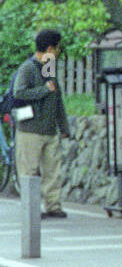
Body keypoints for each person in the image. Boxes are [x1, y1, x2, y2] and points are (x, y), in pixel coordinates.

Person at [11, 29, 71, 218]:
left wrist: (64, 127)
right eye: (57, 48)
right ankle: (31, 208)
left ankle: (53, 205)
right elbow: (18, 93)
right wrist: (43, 90)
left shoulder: (49, 67)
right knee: (29, 171)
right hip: (30, 130)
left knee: (52, 171)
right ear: (49, 48)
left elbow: (57, 99)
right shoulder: (27, 68)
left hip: (49, 130)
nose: (59, 52)